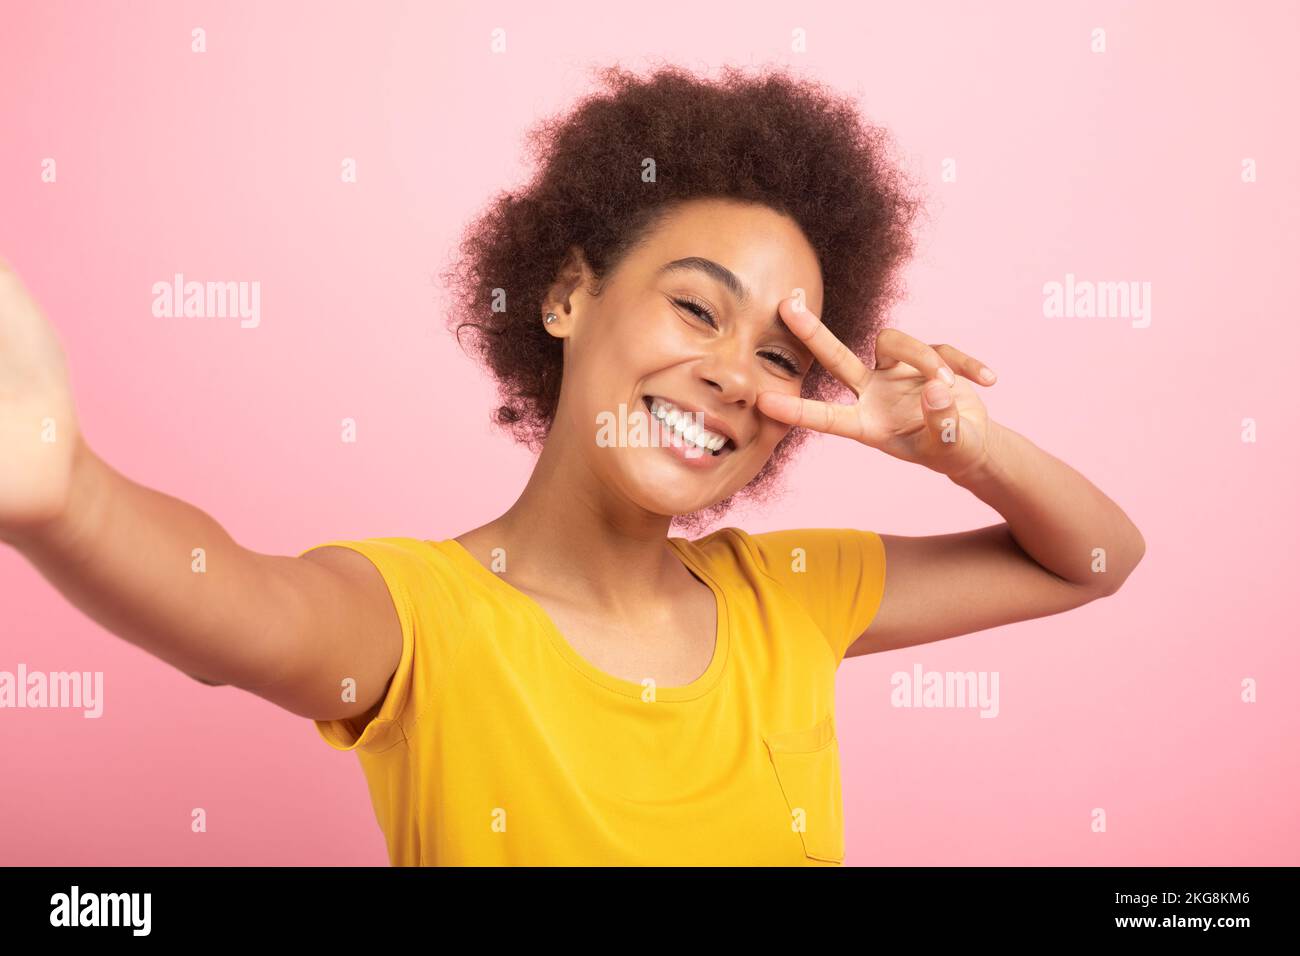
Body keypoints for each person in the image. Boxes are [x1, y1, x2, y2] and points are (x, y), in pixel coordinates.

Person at [0, 64, 1144, 866]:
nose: (735, 376)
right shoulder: (424, 620)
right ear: (563, 294)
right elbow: (241, 606)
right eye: (697, 306)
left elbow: (1095, 559)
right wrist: (69, 495)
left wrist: (964, 445)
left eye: (781, 358)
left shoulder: (787, 597)